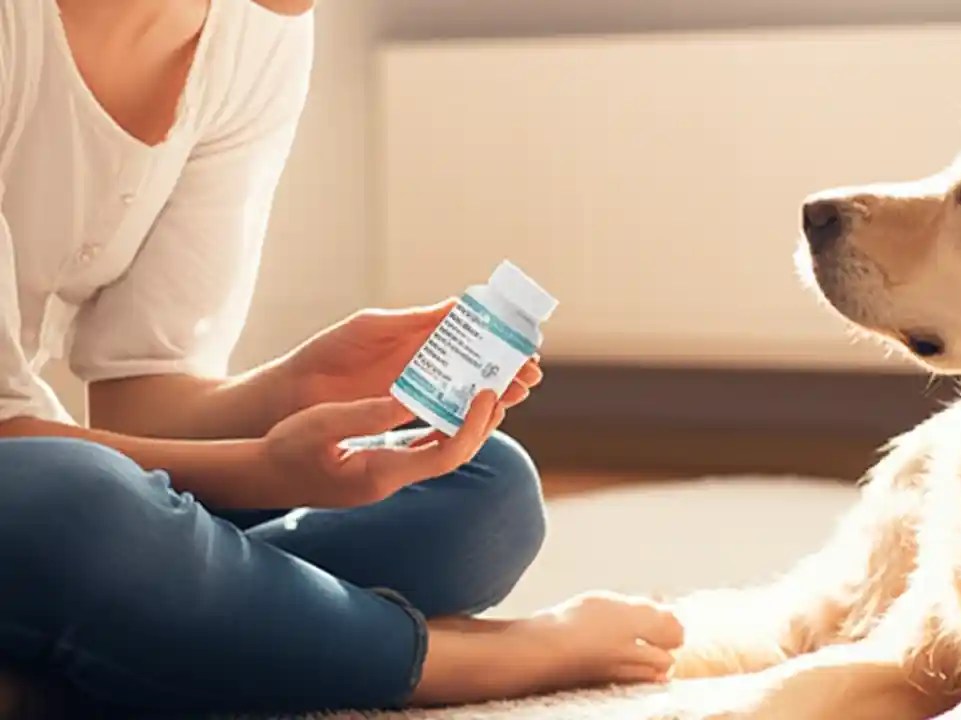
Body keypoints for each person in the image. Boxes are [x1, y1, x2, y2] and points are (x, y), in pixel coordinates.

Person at [0, 0, 682, 716]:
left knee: (485, 491)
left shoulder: (254, 34)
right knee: (79, 507)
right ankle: (451, 661)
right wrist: (263, 467)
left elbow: (139, 398)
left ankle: (81, 658)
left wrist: (292, 392)